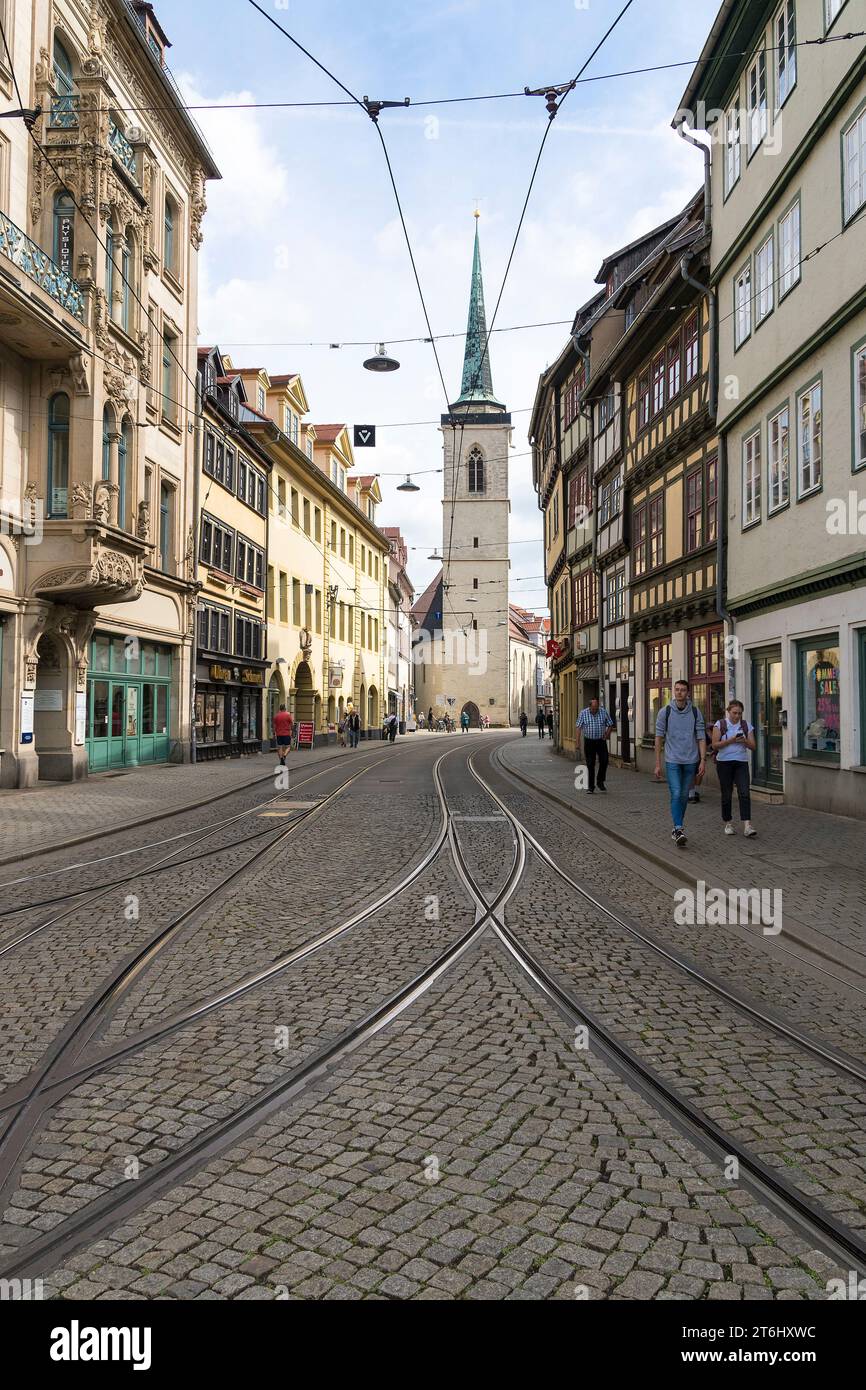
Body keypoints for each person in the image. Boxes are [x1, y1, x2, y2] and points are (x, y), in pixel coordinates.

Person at [654, 679, 706, 848]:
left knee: (684, 795)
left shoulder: (696, 713)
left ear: (688, 692)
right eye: (677, 690)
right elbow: (658, 738)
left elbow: (701, 737)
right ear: (673, 691)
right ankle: (678, 828)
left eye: (683, 690)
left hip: (690, 761)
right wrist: (657, 763)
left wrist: (703, 760)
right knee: (676, 793)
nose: (680, 693)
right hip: (672, 760)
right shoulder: (665, 712)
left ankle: (677, 828)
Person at [711, 698, 757, 837]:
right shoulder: (720, 724)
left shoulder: (746, 725)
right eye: (734, 713)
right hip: (724, 763)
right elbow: (714, 745)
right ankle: (728, 823)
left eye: (739, 713)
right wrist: (731, 740)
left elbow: (753, 746)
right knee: (727, 793)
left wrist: (745, 741)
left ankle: (747, 825)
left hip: (741, 762)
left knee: (744, 792)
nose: (737, 716)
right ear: (728, 712)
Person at [575, 697, 614, 793]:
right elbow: (578, 728)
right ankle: (591, 787)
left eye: (596, 708)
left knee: (604, 761)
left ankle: (600, 781)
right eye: (593, 708)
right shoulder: (583, 713)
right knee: (590, 764)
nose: (595, 710)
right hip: (589, 742)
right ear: (589, 707)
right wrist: (577, 742)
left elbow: (610, 724)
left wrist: (607, 734)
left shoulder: (603, 712)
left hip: (601, 741)